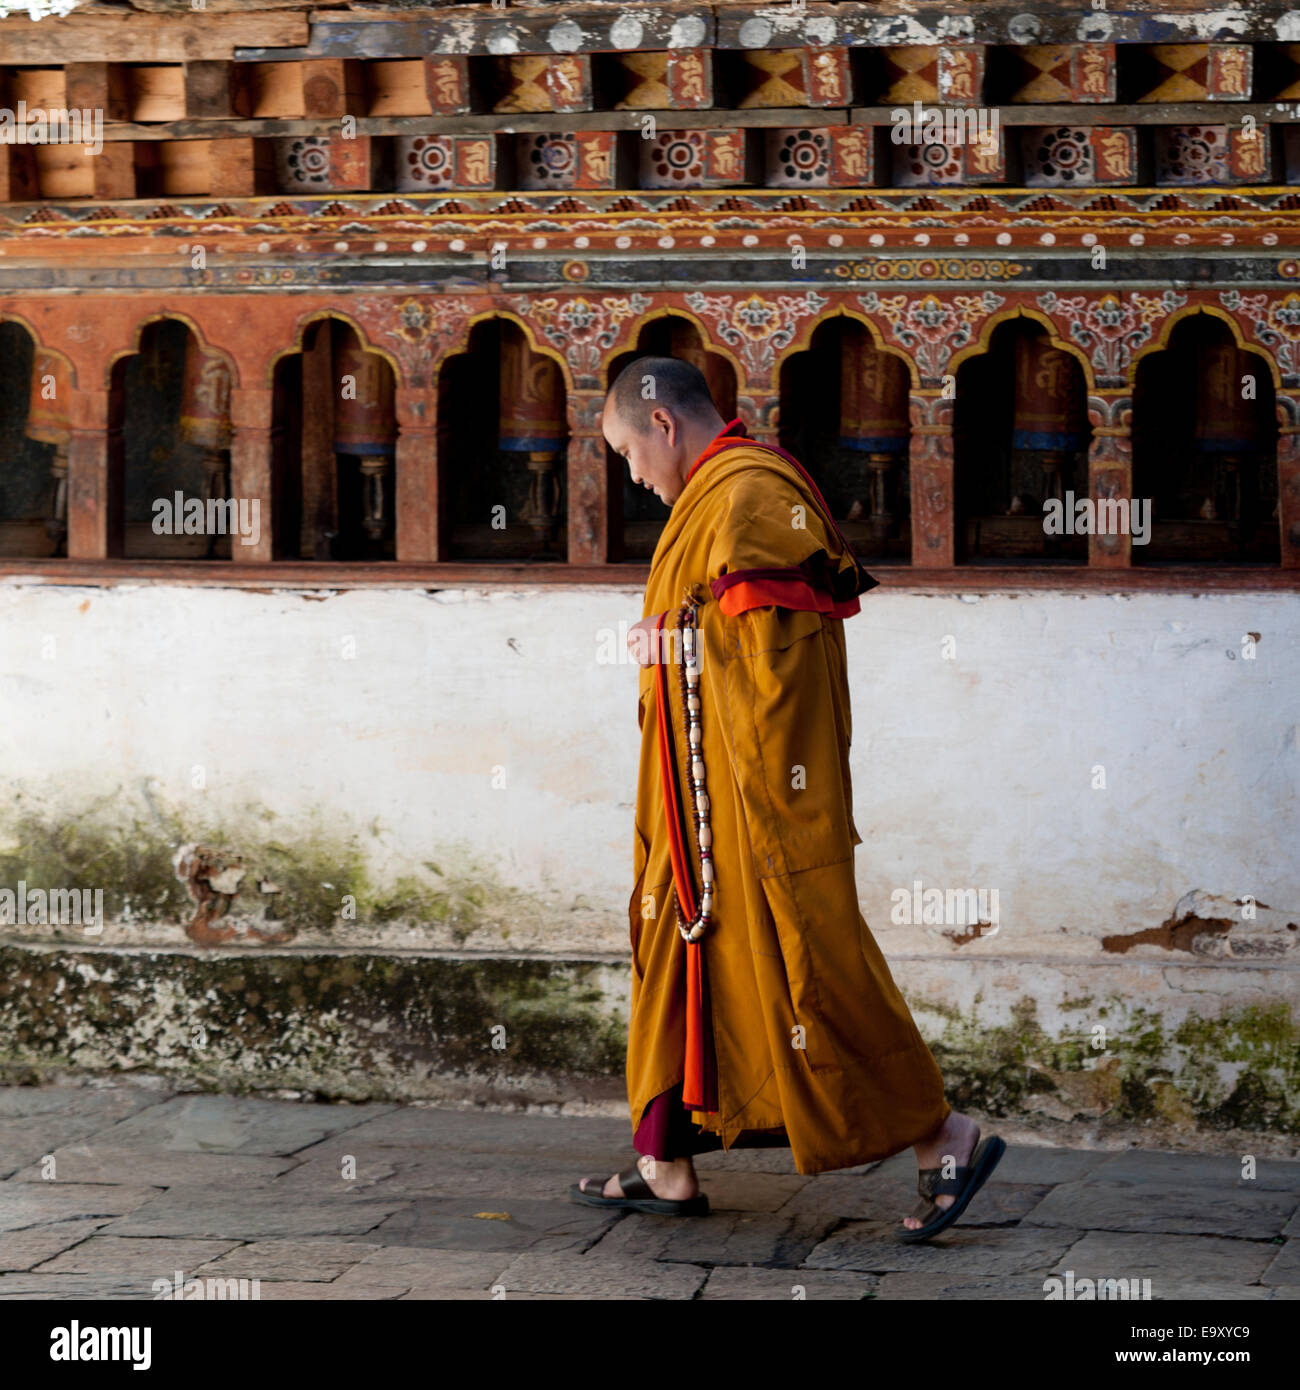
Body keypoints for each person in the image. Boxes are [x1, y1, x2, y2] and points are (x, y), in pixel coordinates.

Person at [568, 355, 1004, 1241]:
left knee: (810, 964)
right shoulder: (713, 501)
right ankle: (668, 1161)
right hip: (696, 802)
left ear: (661, 424)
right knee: (678, 956)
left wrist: (674, 644)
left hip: (753, 798)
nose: (632, 476)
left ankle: (942, 1138)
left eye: (625, 452)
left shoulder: (748, 495)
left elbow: (775, 663)